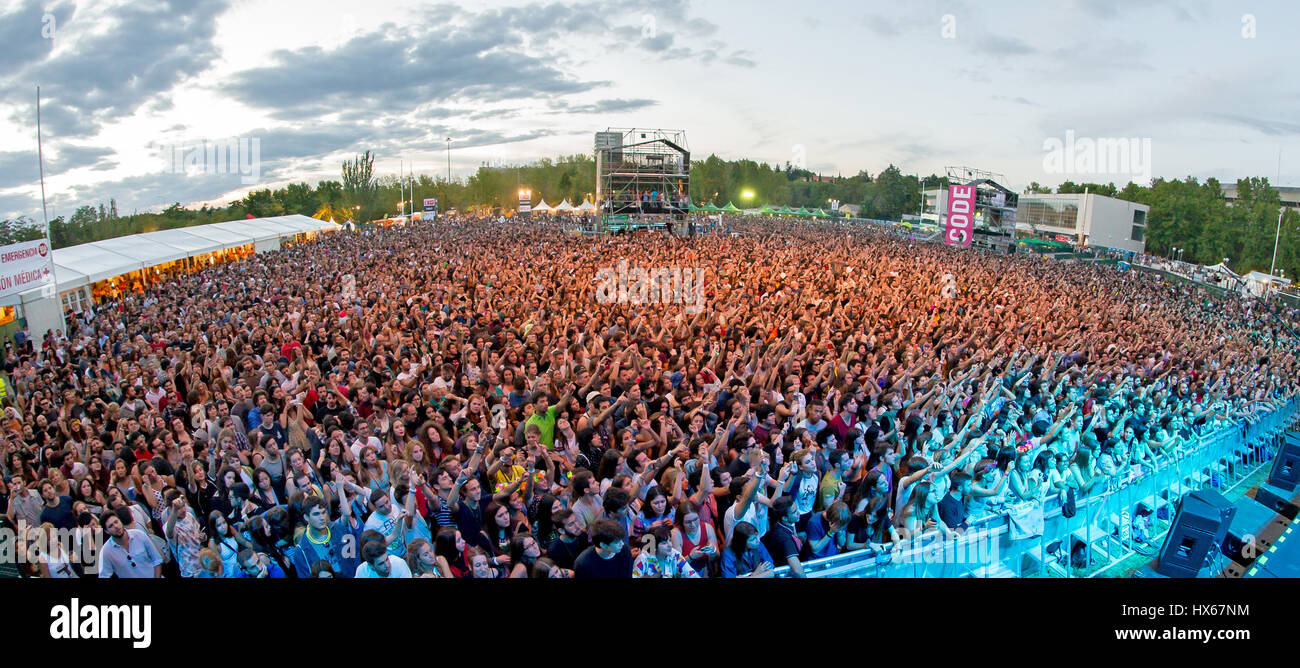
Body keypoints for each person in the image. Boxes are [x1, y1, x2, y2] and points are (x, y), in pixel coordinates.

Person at [97, 508, 163, 578]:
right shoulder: (106, 551)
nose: (116, 526)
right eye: (111, 526)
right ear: (107, 531)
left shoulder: (139, 535)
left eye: (116, 522)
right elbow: (104, 576)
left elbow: (157, 559)